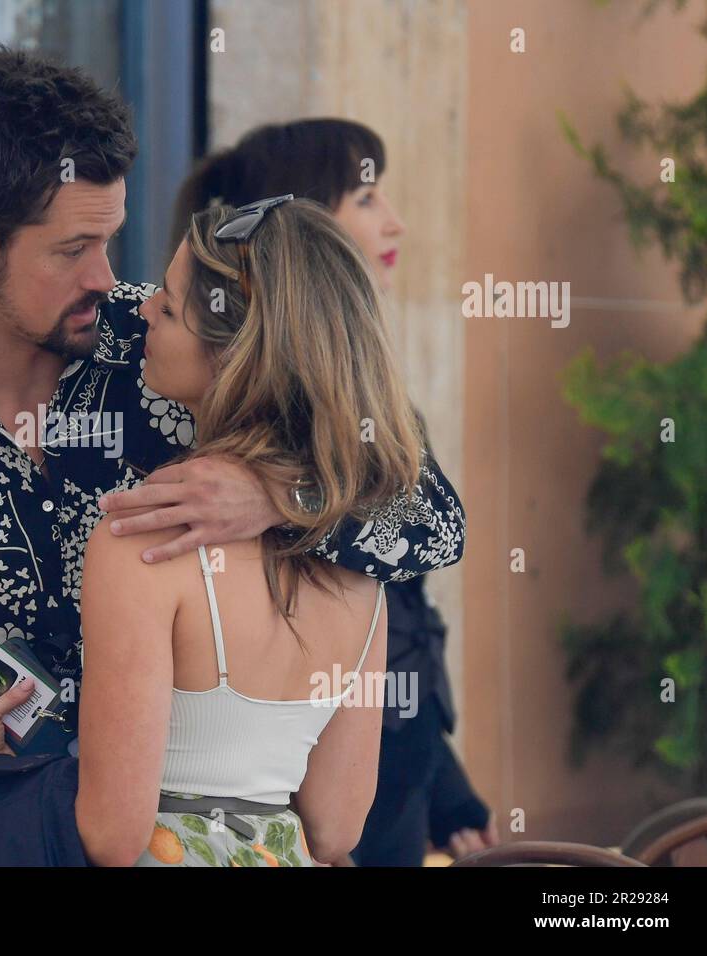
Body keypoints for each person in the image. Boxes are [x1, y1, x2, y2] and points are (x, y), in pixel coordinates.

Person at [0, 48, 466, 867]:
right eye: (72, 248)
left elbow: (434, 519)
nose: (107, 277)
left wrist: (281, 496)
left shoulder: (181, 347)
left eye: (111, 239)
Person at [171, 118, 495, 864]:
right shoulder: (185, 393)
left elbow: (432, 541)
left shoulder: (364, 404)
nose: (396, 223)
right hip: (285, 813)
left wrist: (282, 498)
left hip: (386, 785)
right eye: (367, 198)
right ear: (301, 228)